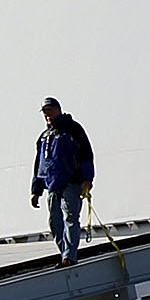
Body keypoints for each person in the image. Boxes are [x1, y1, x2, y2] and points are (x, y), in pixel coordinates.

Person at [31, 98, 96, 265]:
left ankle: (69, 256)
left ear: (58, 110)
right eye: (45, 112)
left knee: (70, 218)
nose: (48, 115)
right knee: (55, 223)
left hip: (72, 183)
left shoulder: (73, 129)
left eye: (50, 111)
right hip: (53, 185)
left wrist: (87, 178)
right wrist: (36, 190)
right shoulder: (45, 137)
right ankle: (65, 254)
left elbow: (86, 154)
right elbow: (40, 164)